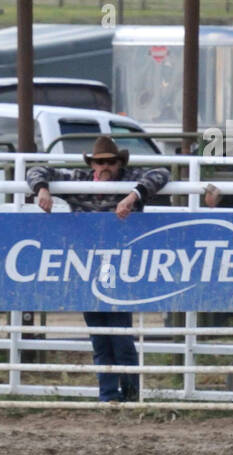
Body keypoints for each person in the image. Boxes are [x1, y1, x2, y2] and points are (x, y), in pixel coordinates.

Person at [28, 135, 189, 403]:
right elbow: (36, 170)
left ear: (119, 164)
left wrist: (134, 194)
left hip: (121, 270)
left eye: (110, 162)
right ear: (92, 164)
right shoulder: (78, 181)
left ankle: (129, 394)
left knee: (120, 336)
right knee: (101, 338)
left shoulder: (129, 180)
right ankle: (109, 395)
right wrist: (42, 189)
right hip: (88, 268)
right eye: (99, 162)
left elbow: (161, 173)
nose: (105, 167)